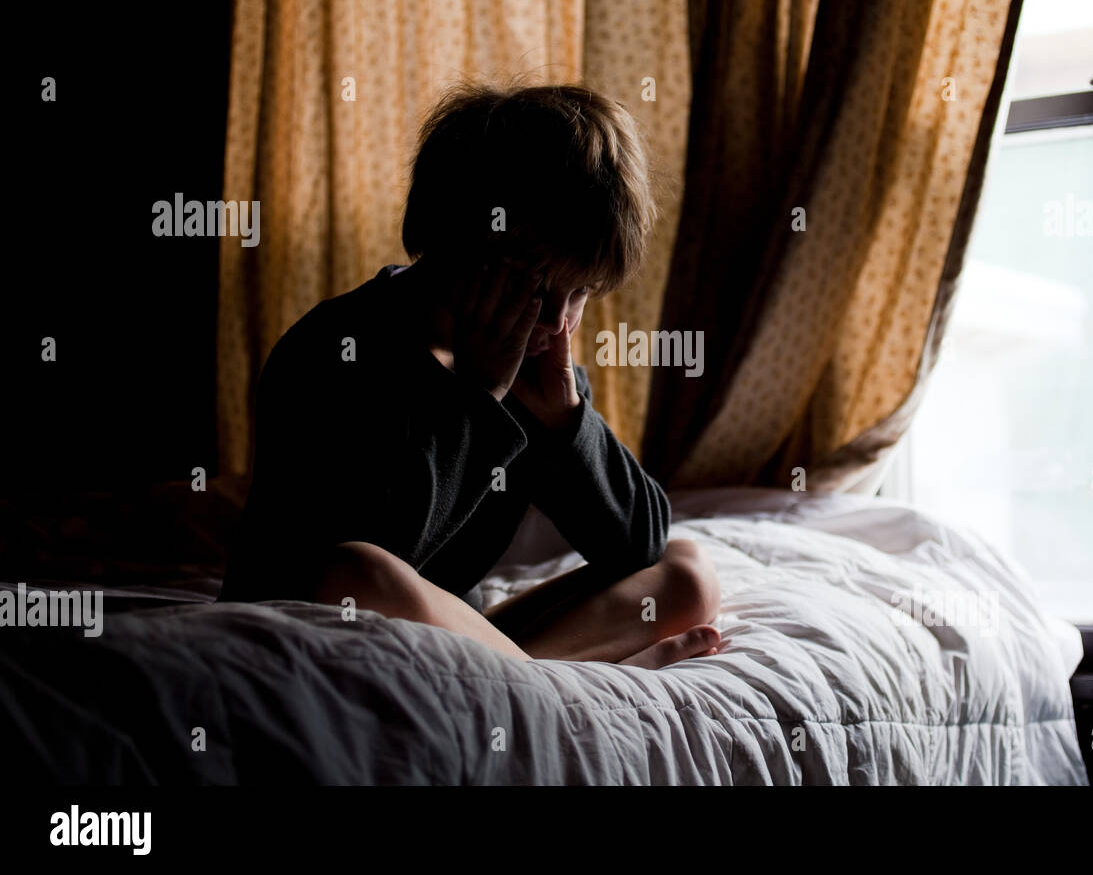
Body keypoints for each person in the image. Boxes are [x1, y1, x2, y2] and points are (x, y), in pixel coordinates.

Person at [218, 82, 723, 669]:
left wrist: (565, 420)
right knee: (360, 568)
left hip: (459, 636)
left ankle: (524, 673)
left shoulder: (535, 365)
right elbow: (383, 559)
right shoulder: (338, 350)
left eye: (579, 292)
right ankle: (538, 677)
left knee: (686, 571)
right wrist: (478, 399)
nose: (557, 321)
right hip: (318, 625)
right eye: (533, 286)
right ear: (458, 241)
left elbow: (638, 548)